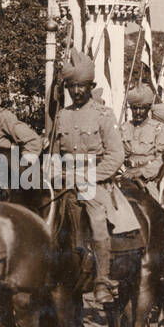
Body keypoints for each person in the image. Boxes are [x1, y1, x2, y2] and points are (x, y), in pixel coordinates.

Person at [53, 52, 124, 304]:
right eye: (72, 86)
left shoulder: (104, 115)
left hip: (94, 182)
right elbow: (53, 153)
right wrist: (53, 173)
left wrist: (88, 178)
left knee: (97, 219)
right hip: (63, 181)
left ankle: (103, 280)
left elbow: (116, 155)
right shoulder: (62, 115)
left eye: (81, 85)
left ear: (91, 86)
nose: (76, 91)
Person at [121, 85, 164, 183]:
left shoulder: (159, 128)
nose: (138, 112)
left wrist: (142, 171)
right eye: (134, 108)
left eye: (142, 108)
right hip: (125, 173)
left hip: (150, 178)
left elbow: (163, 158)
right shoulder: (124, 127)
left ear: (148, 108)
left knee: (156, 198)